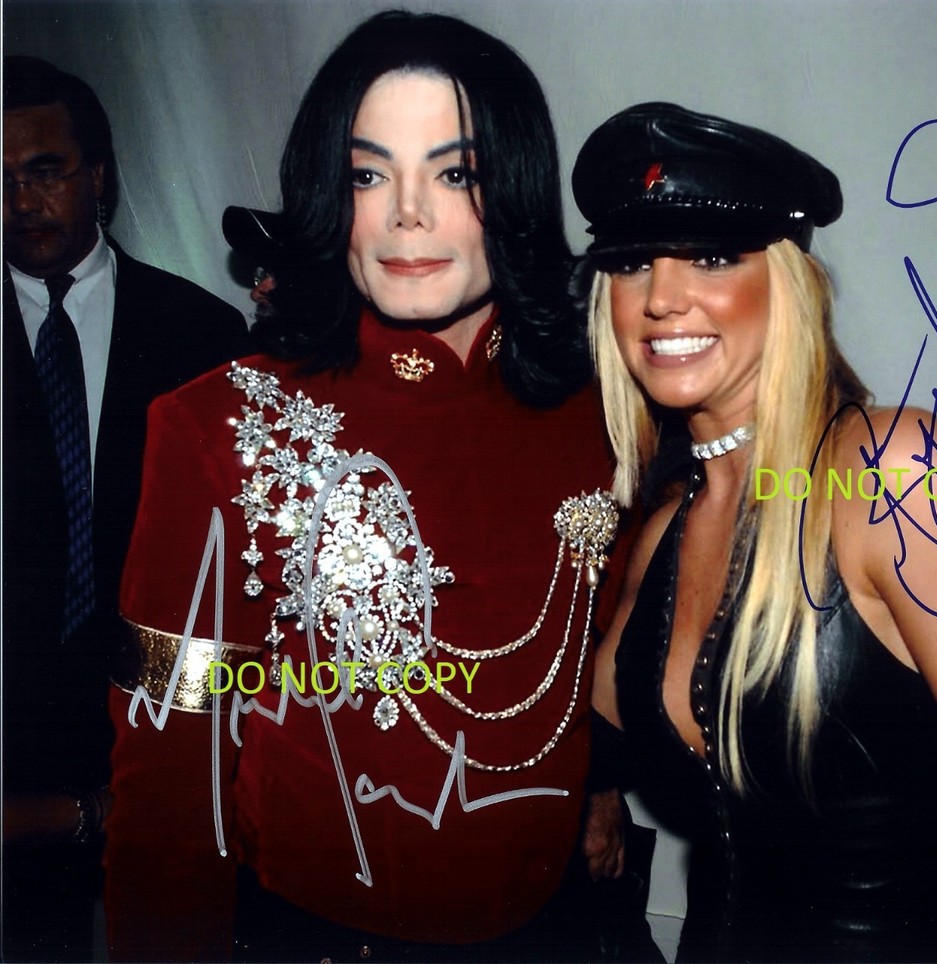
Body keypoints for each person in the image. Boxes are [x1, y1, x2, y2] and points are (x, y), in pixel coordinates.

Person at [104, 12, 625, 962]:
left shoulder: (606, 416)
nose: (406, 214)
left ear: (513, 187)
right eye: (367, 175)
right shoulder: (221, 426)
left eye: (455, 174)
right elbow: (169, 760)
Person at [574, 102, 937, 962]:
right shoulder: (665, 522)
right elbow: (585, 740)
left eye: (713, 256)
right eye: (632, 263)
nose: (662, 298)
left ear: (788, 280)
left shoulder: (903, 470)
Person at [2, 56, 248, 962]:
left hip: (154, 716)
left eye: (45, 171)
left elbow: (222, 574)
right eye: (1, 181)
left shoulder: (203, 335)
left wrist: (195, 755)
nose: (21, 202)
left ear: (99, 175)